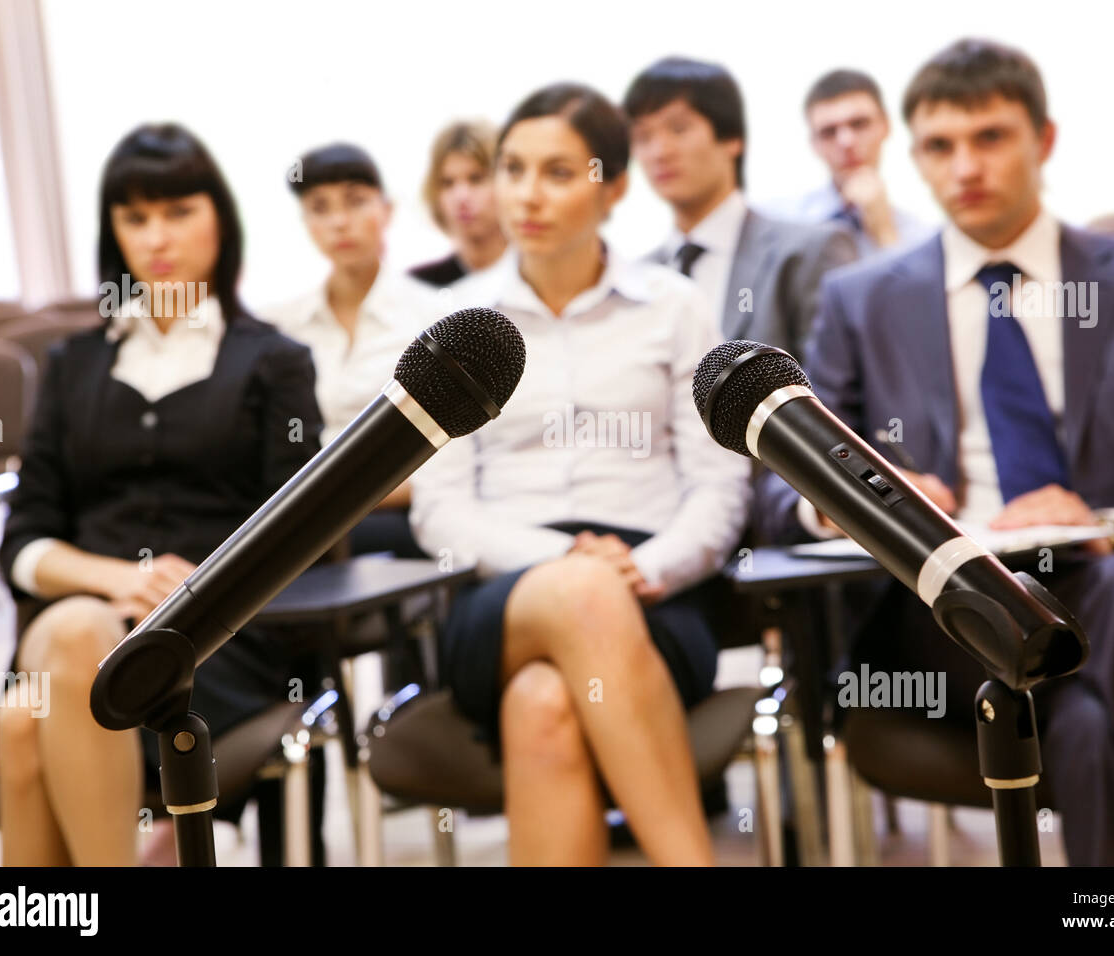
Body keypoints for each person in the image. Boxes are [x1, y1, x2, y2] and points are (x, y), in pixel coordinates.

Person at [759, 38, 1114, 865]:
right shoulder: (860, 300)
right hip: (945, 615)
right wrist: (861, 496)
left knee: (1091, 715)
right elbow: (777, 493)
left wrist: (1113, 525)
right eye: (941, 147)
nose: (965, 167)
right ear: (915, 156)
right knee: (1113, 627)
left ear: (1043, 141)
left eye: (990, 138)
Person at [410, 83, 751, 866]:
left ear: (615, 188)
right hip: (502, 595)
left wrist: (646, 565)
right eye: (513, 168)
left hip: (654, 593)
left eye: (559, 172)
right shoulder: (456, 322)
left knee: (543, 704)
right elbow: (440, 507)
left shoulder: (676, 308)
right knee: (577, 594)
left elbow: (717, 486)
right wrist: (566, 565)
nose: (526, 194)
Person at [0, 124, 324, 866]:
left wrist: (192, 592)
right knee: (74, 638)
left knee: (22, 722)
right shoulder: (73, 364)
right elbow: (22, 542)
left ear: (220, 220)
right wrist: (116, 580)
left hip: (215, 643)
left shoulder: (273, 361)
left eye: (178, 211)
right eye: (135, 218)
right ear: (113, 232)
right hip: (81, 630)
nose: (157, 237)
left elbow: (302, 530)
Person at [623, 56, 856, 358]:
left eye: (678, 129)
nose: (659, 151)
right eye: (642, 137)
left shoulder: (806, 254)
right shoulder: (635, 279)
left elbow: (837, 393)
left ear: (732, 138)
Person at [267, 143, 431, 558]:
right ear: (305, 223)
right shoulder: (279, 327)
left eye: (355, 202)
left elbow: (451, 459)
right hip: (301, 517)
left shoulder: (432, 318)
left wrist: (336, 499)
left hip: (403, 513)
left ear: (387, 210)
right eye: (320, 208)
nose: (339, 222)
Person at [766, 68, 933, 256]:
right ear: (814, 144)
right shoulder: (777, 224)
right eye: (829, 132)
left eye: (859, 124)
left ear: (886, 126)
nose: (846, 142)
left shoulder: (922, 237)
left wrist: (885, 234)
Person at [409, 120, 507, 288]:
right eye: (447, 183)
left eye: (476, 179)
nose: (461, 197)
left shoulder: (538, 276)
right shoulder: (419, 285)